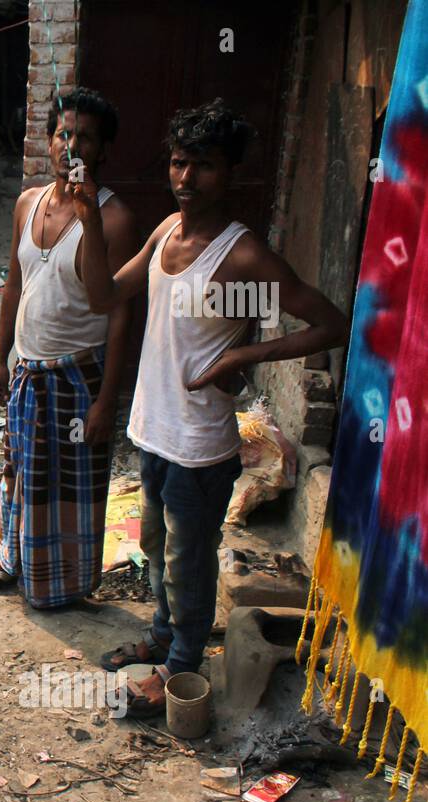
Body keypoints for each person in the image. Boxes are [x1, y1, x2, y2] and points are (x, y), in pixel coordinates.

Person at [71, 100, 348, 715]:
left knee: (188, 562)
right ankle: (165, 639)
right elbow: (102, 295)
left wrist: (238, 359)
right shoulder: (166, 231)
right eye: (177, 163)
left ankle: (179, 671)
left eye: (204, 166)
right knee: (154, 545)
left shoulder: (242, 257)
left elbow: (330, 324)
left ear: (232, 175)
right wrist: (89, 218)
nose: (186, 178)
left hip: (201, 446)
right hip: (153, 430)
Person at [0, 87, 138, 608]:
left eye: (85, 137)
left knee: (71, 489)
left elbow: (122, 312)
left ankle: (62, 586)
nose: (72, 145)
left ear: (102, 150)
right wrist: (0, 360)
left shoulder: (115, 218)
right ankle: (12, 561)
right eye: (63, 133)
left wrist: (108, 399)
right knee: (19, 474)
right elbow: (14, 285)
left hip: (78, 375)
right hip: (28, 372)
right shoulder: (26, 203)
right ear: (48, 141)